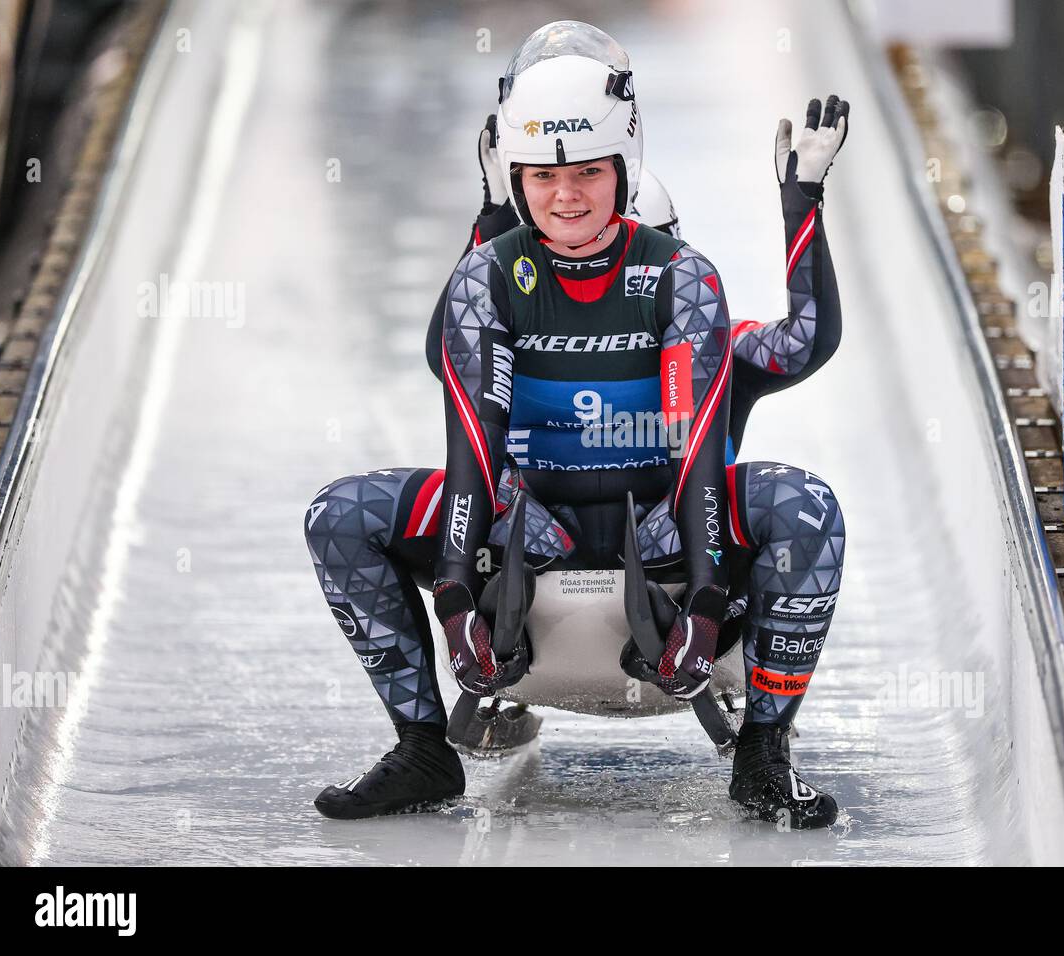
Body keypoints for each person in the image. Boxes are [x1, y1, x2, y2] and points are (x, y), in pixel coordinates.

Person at [305, 21, 847, 829]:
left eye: (590, 174)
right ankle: (421, 748)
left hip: (664, 544)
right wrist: (455, 593)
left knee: (807, 508)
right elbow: (469, 426)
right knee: (338, 514)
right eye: (542, 179)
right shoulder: (489, 281)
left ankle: (765, 752)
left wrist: (703, 598)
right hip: (532, 538)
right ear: (519, 179)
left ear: (624, 180)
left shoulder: (687, 288)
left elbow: (713, 435)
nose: (567, 197)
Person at [425, 99, 847, 465]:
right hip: (537, 535)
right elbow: (449, 353)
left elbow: (801, 343)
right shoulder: (518, 340)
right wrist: (495, 217)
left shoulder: (719, 343)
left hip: (681, 533)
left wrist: (803, 203)